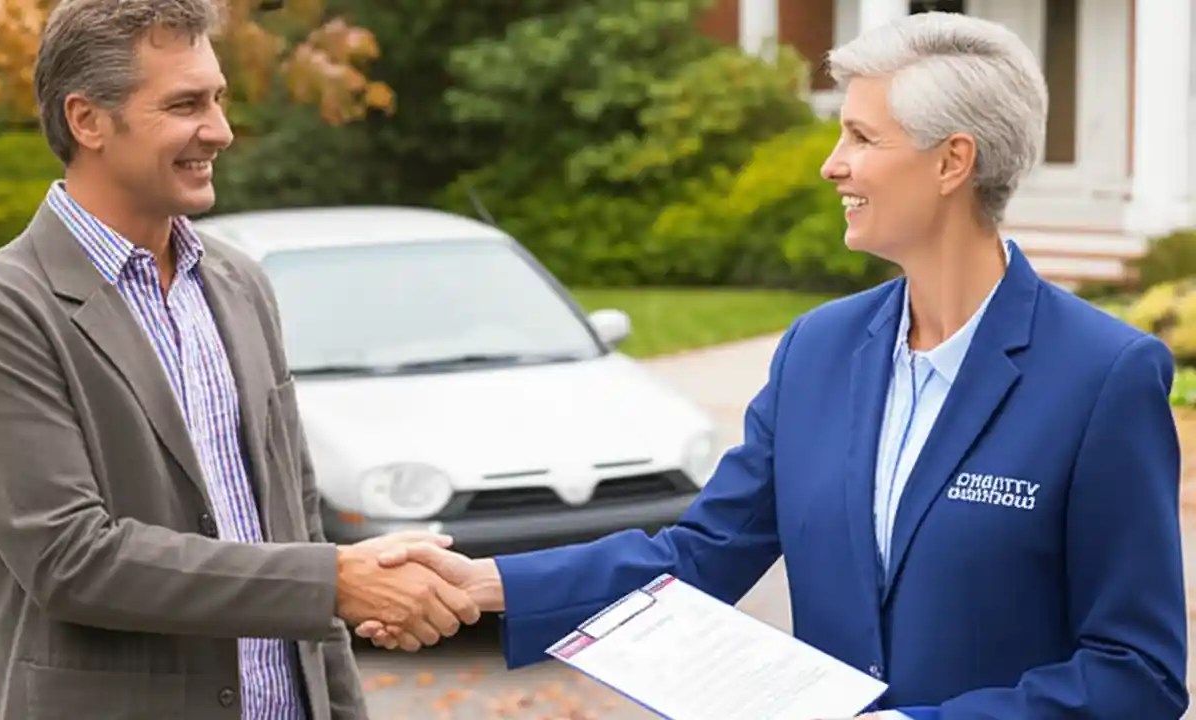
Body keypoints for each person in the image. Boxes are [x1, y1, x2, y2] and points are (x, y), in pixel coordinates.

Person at [358, 12, 1189, 718]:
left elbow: (1138, 670)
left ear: (952, 162)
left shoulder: (1103, 374)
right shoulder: (817, 352)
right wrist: (481, 583)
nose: (833, 164)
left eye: (861, 137)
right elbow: (700, 556)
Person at [0, 1, 481, 718]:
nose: (218, 130)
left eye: (218, 98)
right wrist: (332, 582)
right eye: (186, 104)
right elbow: (69, 559)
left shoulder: (238, 281)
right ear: (87, 120)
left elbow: (294, 526)